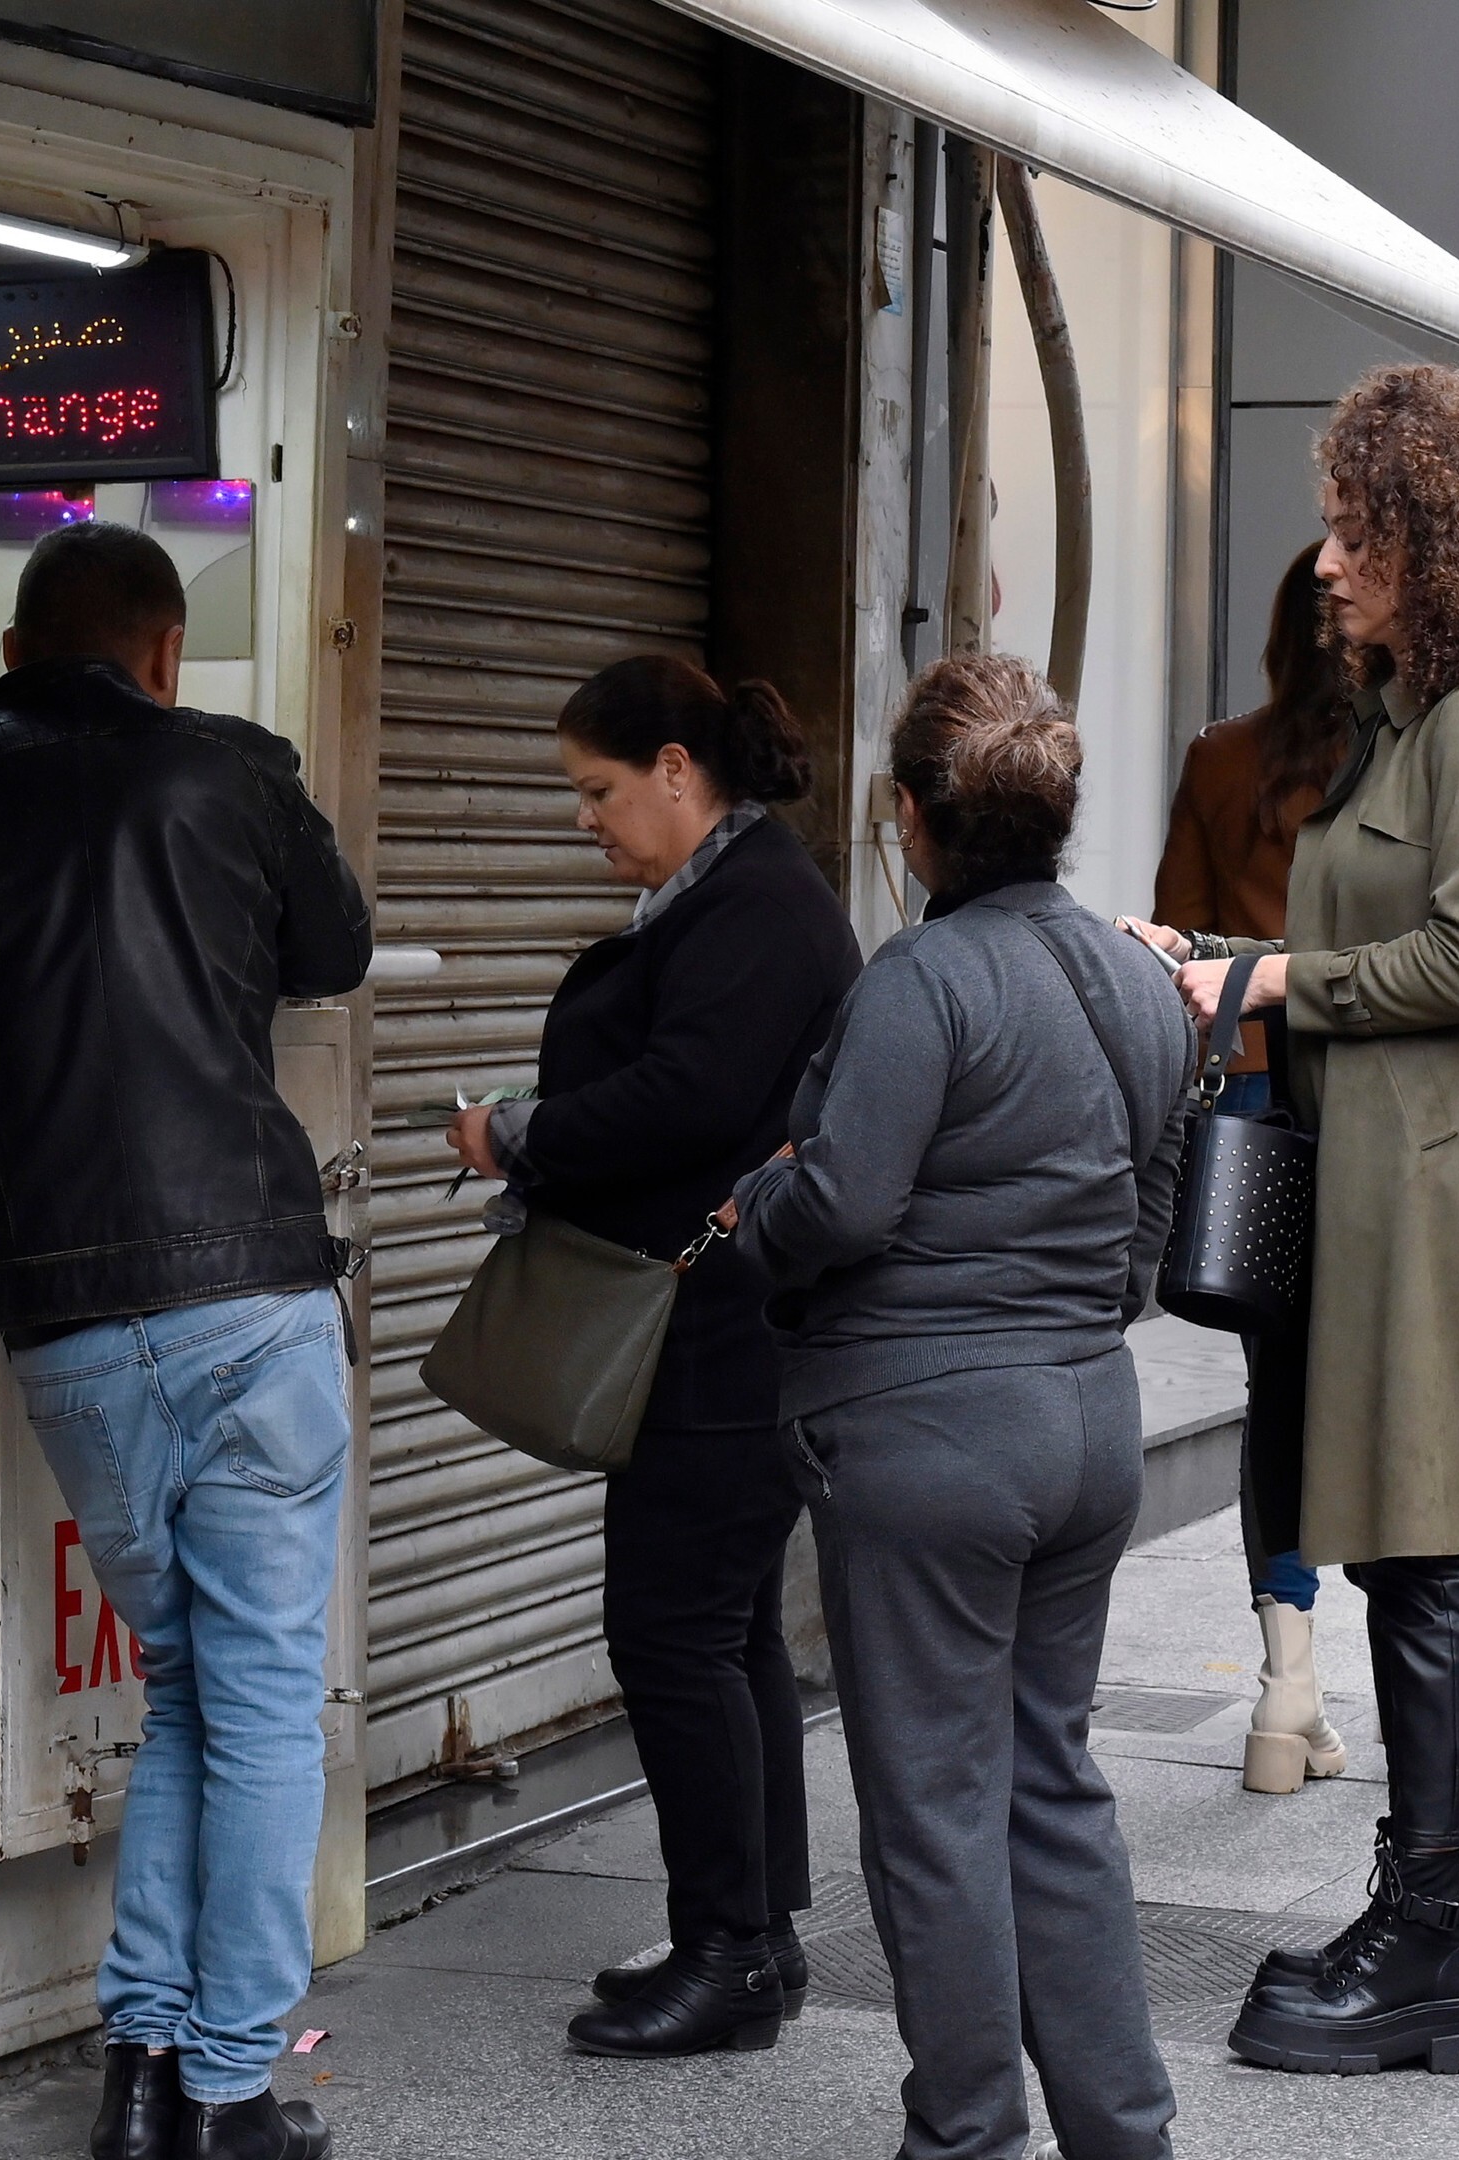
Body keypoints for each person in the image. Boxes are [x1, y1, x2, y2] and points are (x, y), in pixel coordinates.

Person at [0, 522, 369, 2160]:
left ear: (11, 654)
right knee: (262, 1700)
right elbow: (328, 953)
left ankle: (142, 2066)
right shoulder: (236, 768)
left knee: (192, 1686)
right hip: (250, 1302)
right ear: (161, 657)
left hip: (64, 1322)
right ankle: (226, 2089)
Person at [1146, 361, 1459, 2076]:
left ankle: (1429, 1930)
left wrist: (1256, 972)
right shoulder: (1412, 713)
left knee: (1427, 1551)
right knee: (1409, 1550)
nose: (1329, 564)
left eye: (1360, 532)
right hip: (1385, 1167)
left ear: (1441, 540)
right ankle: (1435, 1930)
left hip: (1444, 1181)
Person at [725, 653, 1188, 2160]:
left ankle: (968, 2137)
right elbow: (1151, 1207)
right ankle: (1125, 2132)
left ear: (913, 819)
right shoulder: (1137, 975)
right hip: (1085, 1422)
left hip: (928, 1433)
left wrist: (755, 1222)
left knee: (932, 1809)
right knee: (1051, 1786)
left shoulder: (919, 982)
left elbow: (846, 1203)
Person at [439, 655, 861, 2057]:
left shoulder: (759, 910)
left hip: (724, 1333)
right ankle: (749, 1938)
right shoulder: (736, 898)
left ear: (680, 768)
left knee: (672, 1633)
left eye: (599, 790)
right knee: (725, 1633)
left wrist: (525, 1131)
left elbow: (694, 1096)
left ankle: (732, 1949)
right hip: (717, 1320)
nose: (587, 820)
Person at [1149, 542, 1356, 1796]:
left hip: (1260, 1106)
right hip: (1380, 1096)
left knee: (1277, 1389)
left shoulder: (1223, 758)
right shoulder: (1400, 766)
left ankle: (1286, 1690)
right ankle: (1431, 1664)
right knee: (1389, 1381)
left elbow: (1176, 944)